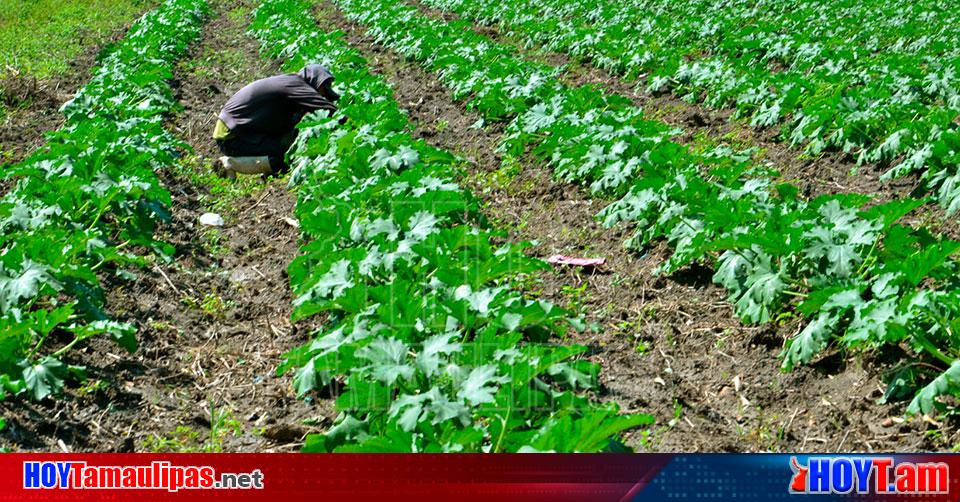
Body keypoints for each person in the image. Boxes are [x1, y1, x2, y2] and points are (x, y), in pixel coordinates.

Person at [213, 64, 340, 178]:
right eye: (322, 92)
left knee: (291, 138)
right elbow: (324, 107)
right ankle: (229, 164)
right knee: (285, 159)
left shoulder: (291, 83)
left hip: (240, 130)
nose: (322, 96)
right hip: (230, 137)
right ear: (313, 81)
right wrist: (351, 120)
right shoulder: (295, 85)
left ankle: (267, 168)